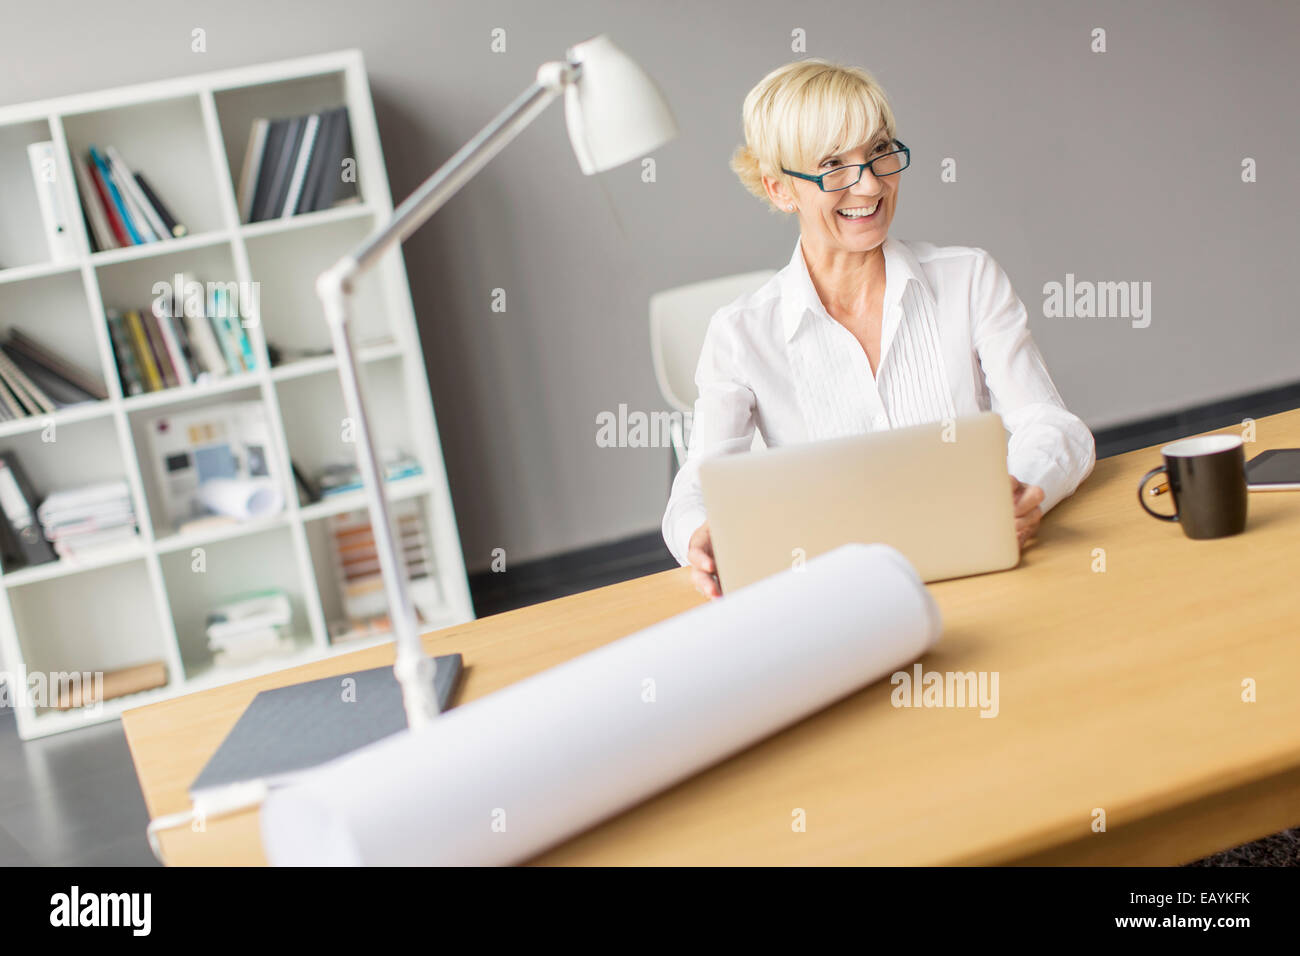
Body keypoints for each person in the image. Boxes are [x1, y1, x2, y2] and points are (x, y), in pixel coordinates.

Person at [662, 58, 1096, 599]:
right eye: (833, 165)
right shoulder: (740, 334)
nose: (868, 185)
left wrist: (1026, 490)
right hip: (840, 595)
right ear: (780, 190)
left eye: (879, 153)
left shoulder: (969, 278)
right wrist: (698, 535)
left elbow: (1053, 425)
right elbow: (696, 488)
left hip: (984, 571)